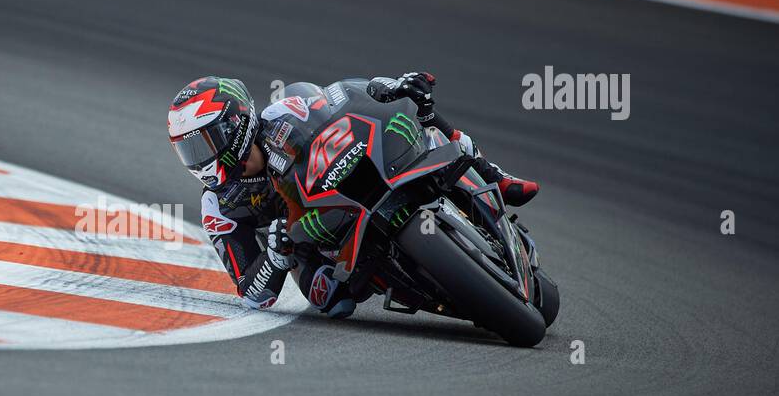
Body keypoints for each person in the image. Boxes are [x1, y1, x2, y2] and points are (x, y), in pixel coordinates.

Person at [165, 73, 538, 315]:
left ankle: (494, 176)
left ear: (234, 123)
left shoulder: (283, 111)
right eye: (187, 150)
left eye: (202, 144)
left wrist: (387, 88)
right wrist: (275, 257)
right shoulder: (218, 205)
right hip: (312, 242)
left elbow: (344, 96)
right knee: (329, 299)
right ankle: (413, 285)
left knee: (421, 116)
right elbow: (251, 292)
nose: (198, 159)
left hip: (349, 179)